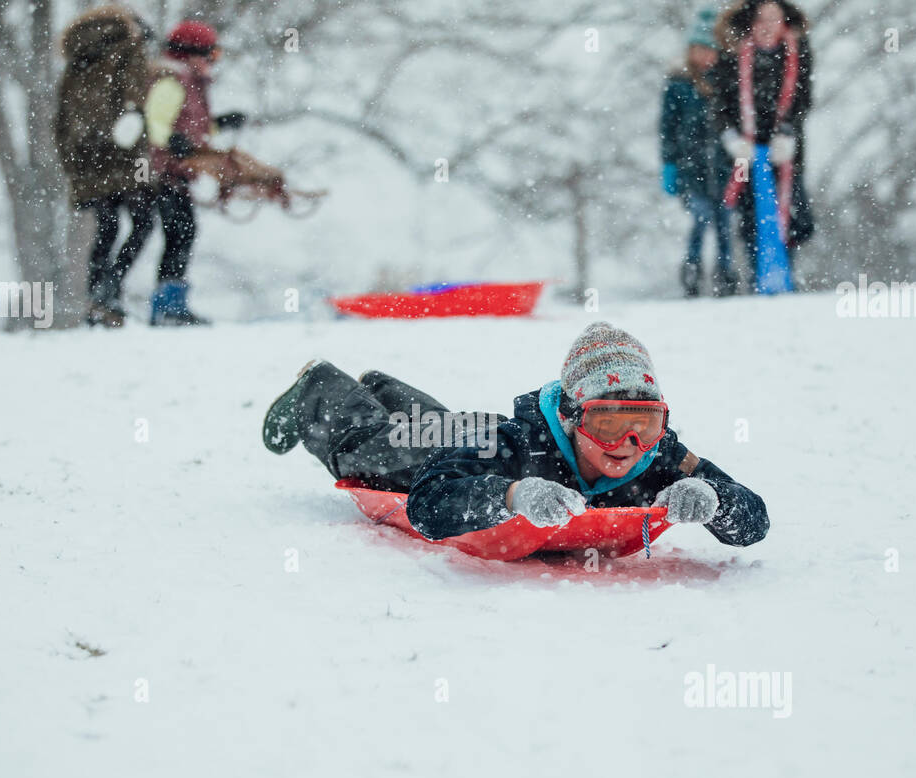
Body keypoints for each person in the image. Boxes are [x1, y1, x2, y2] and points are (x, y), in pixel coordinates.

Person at [262, 322, 768, 547]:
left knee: (429, 422)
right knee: (370, 446)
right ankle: (320, 386)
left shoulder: (660, 457)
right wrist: (511, 494)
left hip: (466, 431)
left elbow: (754, 518)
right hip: (469, 446)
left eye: (646, 424)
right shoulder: (515, 446)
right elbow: (427, 504)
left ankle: (381, 386)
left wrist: (715, 499)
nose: (629, 445)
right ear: (572, 417)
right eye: (608, 425)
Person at [55, 5, 157, 327]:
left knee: (106, 228)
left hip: (86, 157)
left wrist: (71, 162)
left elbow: (60, 119)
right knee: (142, 223)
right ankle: (108, 292)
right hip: (123, 154)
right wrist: (136, 124)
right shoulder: (130, 49)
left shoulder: (76, 59)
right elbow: (135, 98)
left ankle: (97, 300)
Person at [143, 20, 247, 326]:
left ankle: (169, 305)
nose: (212, 61)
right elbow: (153, 122)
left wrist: (220, 124)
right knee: (179, 232)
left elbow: (190, 129)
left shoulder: (190, 82)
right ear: (190, 53)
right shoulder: (172, 80)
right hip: (160, 173)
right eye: (210, 54)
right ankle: (166, 308)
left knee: (182, 233)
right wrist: (170, 141)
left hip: (176, 174)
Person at [708, 0, 814, 278]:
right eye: (761, 19)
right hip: (744, 151)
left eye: (774, 19)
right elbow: (719, 102)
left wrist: (789, 130)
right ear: (750, 23)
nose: (767, 26)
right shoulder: (733, 52)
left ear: (785, 21)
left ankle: (785, 272)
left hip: (786, 150)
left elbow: (803, 98)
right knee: (750, 214)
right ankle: (758, 275)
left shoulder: (798, 51)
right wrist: (731, 136)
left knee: (792, 211)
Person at [660, 7, 737, 298]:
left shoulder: (724, 83)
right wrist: (670, 164)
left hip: (723, 166)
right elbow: (668, 128)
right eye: (700, 50)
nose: (706, 57)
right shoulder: (678, 86)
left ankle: (726, 276)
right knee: (700, 218)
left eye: (711, 50)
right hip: (691, 167)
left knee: (724, 223)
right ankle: (691, 273)